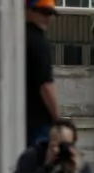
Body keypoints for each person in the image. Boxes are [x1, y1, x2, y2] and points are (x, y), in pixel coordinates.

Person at [24, 0, 59, 145]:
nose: (48, 18)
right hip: (38, 123)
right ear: (29, 11)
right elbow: (45, 86)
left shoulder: (16, 37)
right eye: (44, 13)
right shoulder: (38, 42)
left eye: (50, 13)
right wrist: (58, 119)